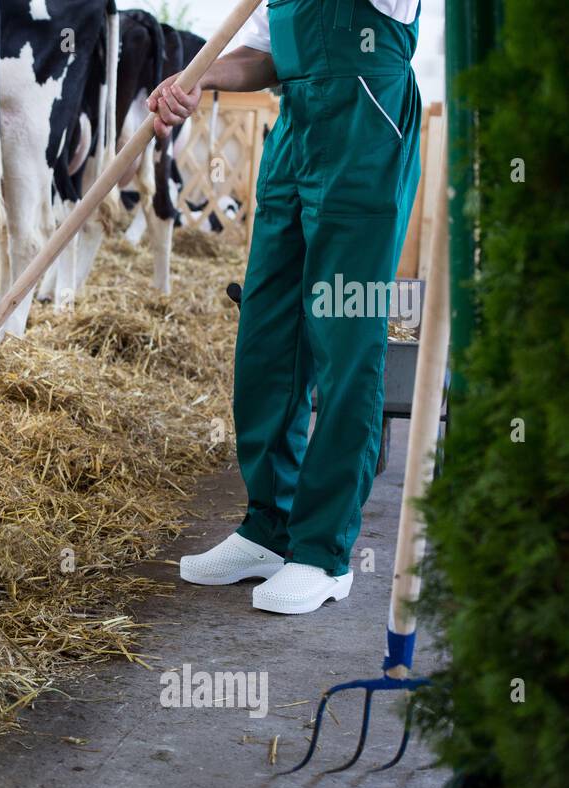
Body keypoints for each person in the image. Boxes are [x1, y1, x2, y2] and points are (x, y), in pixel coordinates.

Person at [147, 0, 422, 615]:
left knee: (345, 340)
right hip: (296, 132)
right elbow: (264, 56)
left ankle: (324, 555)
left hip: (365, 129)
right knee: (268, 335)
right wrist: (199, 78)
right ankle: (268, 530)